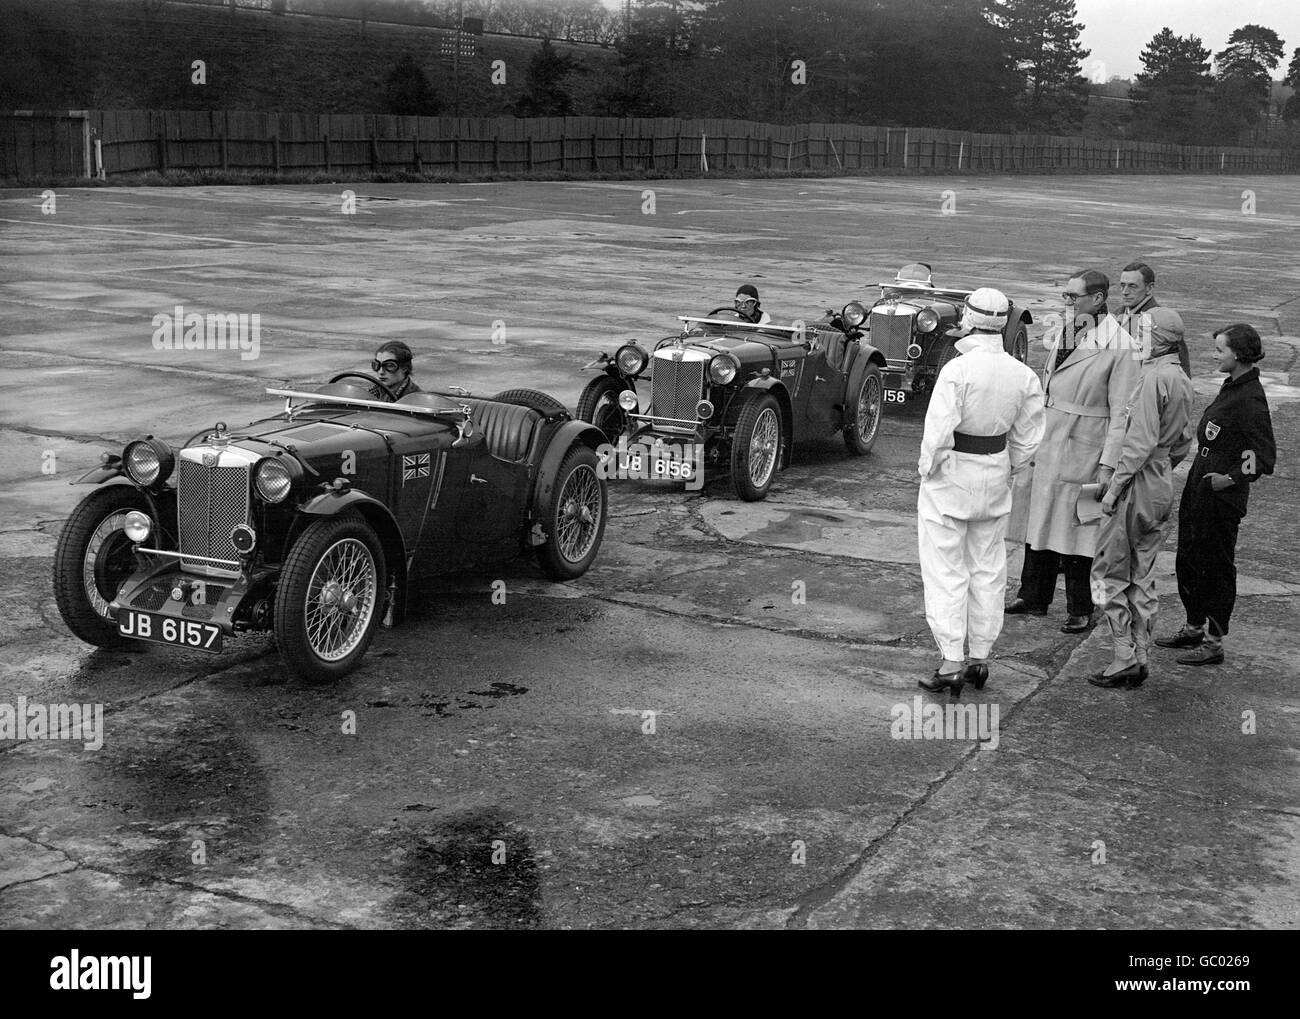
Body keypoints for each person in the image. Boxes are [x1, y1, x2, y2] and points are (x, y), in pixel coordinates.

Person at [917, 288, 1045, 698]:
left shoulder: (958, 369)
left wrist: (927, 470)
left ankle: (951, 660)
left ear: (969, 321)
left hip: (951, 477)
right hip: (994, 475)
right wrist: (1008, 467)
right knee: (988, 570)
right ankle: (980, 658)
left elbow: (938, 433)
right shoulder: (1022, 374)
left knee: (946, 570)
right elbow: (1028, 440)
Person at [1008, 270, 1140, 632]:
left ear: (1097, 299)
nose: (1066, 303)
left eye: (1073, 297)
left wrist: (1109, 463)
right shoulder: (1068, 329)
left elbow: (1121, 414)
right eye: (1065, 296)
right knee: (1042, 518)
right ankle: (1033, 595)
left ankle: (1082, 606)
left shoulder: (1122, 346)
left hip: (1088, 444)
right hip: (1052, 437)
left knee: (1083, 530)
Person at [1155, 323, 1276, 666]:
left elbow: (1264, 456)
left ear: (1238, 354)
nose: (1215, 355)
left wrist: (1232, 478)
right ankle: (1193, 625)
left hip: (1221, 495)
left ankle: (1213, 641)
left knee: (1215, 566)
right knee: (1189, 557)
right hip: (1201, 483)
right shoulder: (1233, 386)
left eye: (1220, 350)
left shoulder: (1250, 399)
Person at [1088, 309, 1195, 688]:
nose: (1137, 338)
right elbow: (1183, 441)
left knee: (1106, 571)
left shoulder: (1153, 379)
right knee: (1142, 573)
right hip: (1161, 481)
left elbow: (1137, 442)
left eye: (1143, 332)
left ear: (1160, 339)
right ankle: (1141, 651)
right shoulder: (1181, 377)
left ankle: (1123, 655)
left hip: (1137, 482)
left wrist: (1115, 488)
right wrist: (1162, 467)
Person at [1117, 261, 1191, 378]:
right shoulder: (1117, 315)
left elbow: (1180, 372)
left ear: (1149, 288)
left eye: (1132, 286)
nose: (1125, 292)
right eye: (1122, 285)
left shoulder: (1161, 322)